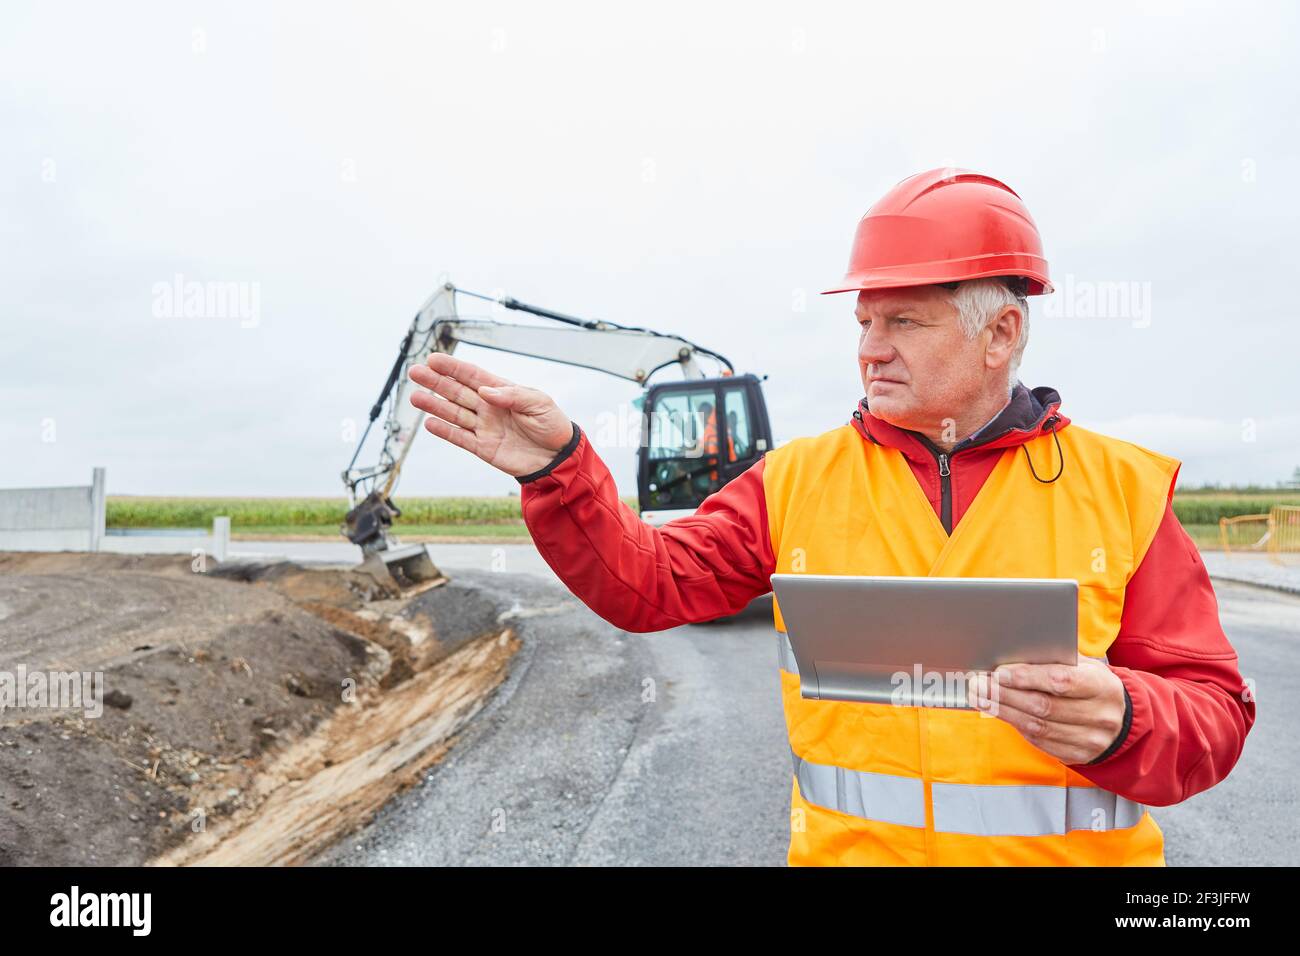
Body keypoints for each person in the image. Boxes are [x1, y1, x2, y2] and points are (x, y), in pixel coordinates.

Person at [406, 168, 1255, 866]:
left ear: (1000, 333)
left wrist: (1128, 718)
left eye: (903, 322)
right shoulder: (798, 480)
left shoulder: (1124, 491)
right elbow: (650, 586)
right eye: (863, 322)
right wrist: (561, 471)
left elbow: (1214, 711)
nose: (869, 348)